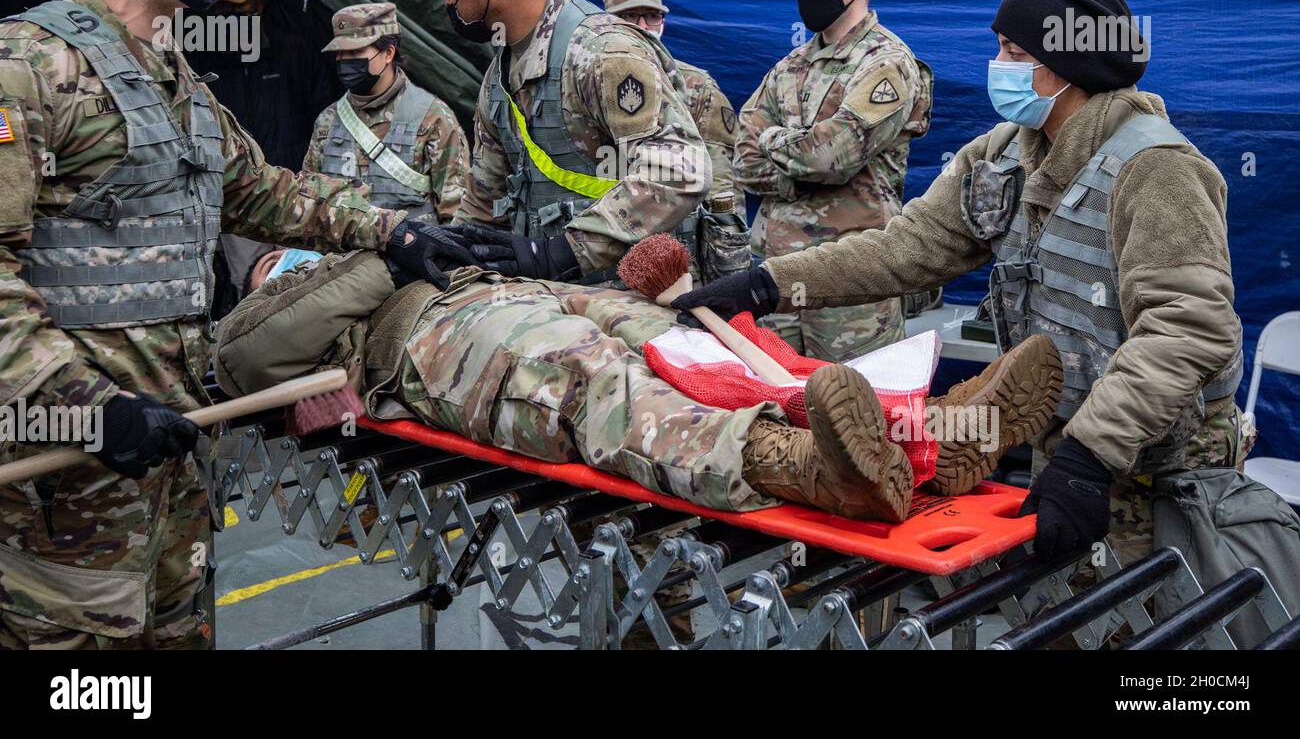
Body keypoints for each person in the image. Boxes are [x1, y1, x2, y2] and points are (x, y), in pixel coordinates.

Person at [0, 0, 468, 650]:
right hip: (70, 476)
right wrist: (85, 410)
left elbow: (260, 188)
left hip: (175, 456)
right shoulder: (25, 65)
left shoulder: (176, 77)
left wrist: (397, 229)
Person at [674, 0, 1249, 565]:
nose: (996, 64)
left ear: (1067, 66)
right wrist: (769, 285)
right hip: (1074, 446)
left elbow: (1188, 328)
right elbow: (909, 246)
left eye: (1014, 52)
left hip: (1162, 469)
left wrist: (1091, 455)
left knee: (1159, 632)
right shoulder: (1005, 154)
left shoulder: (1158, 169)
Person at [218, 248, 1063, 522]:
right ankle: (808, 465)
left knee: (692, 349)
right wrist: (374, 251)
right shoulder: (274, 311)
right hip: (445, 342)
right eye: (277, 264)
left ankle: (926, 433)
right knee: (602, 391)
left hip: (510, 293)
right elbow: (252, 357)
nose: (291, 268)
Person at [426, 0, 711, 283]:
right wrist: (447, 252)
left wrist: (565, 251)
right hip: (553, 301)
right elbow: (485, 198)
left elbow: (680, 171)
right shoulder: (499, 77)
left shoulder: (602, 52)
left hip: (635, 299)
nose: (447, 1)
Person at [735, 0, 932, 361]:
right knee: (777, 413)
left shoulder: (886, 63)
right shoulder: (790, 65)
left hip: (851, 284)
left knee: (858, 412)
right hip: (778, 280)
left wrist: (774, 140)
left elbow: (830, 158)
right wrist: (795, 171)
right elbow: (743, 159)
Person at [601, 0, 751, 281]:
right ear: (607, 22)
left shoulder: (696, 87)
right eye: (630, 16)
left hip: (679, 256)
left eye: (653, 16)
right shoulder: (588, 81)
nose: (643, 26)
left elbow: (722, 187)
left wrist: (728, 268)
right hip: (605, 245)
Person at [303, 2, 468, 224]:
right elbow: (308, 201)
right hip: (338, 257)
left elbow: (456, 213)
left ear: (388, 53)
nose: (344, 60)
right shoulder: (329, 120)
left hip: (407, 255)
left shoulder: (432, 117)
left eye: (355, 51)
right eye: (340, 53)